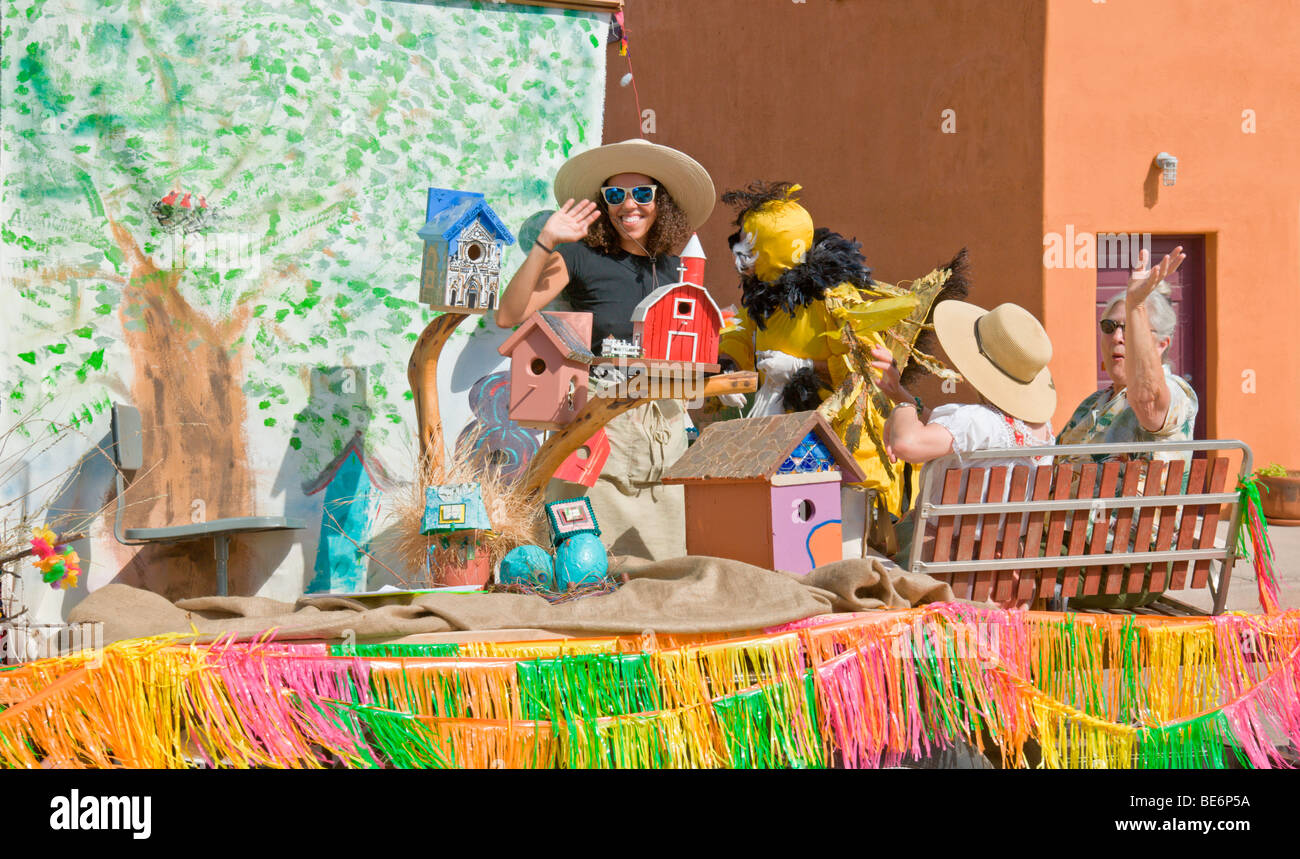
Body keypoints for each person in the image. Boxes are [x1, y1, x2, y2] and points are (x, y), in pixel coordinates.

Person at [495, 138, 715, 560]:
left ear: (661, 201)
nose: (628, 205)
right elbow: (510, 315)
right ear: (603, 203)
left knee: (660, 557)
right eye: (616, 194)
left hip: (661, 434)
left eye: (642, 193)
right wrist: (547, 241)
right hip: (599, 430)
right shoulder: (579, 258)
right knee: (588, 556)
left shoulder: (677, 270)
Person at [870, 301, 1057, 566]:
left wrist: (902, 408)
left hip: (939, 567)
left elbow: (907, 444)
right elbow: (957, 432)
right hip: (998, 575)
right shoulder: (1042, 431)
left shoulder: (975, 421)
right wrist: (900, 393)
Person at [1057, 247, 1198, 473]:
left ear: (1162, 344)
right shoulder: (1092, 403)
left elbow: (1148, 401)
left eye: (1130, 329)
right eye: (1109, 327)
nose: (1117, 337)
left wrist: (1136, 305)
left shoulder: (1176, 391)